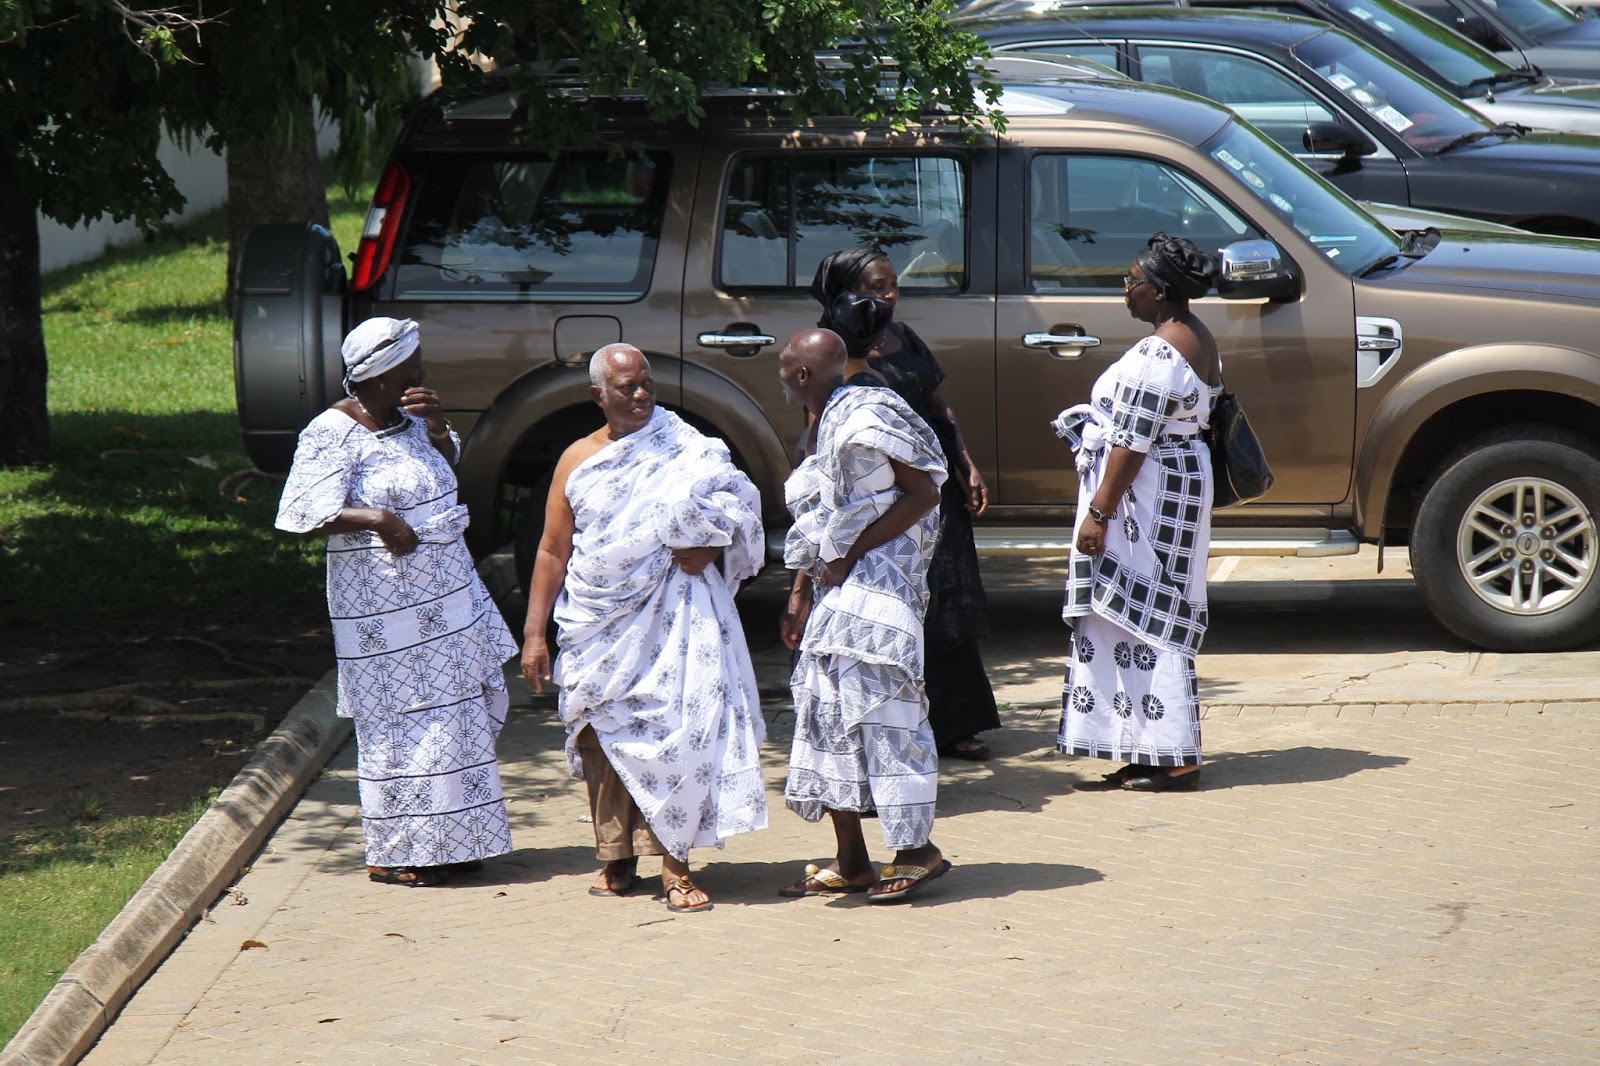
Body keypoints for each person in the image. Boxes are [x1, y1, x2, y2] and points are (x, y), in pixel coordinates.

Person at [521, 344, 768, 913]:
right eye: (626, 387)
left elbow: (741, 506)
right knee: (602, 730)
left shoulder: (687, 445)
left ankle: (675, 866)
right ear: (598, 395)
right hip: (599, 619)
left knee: (677, 728)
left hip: (678, 611)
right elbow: (553, 549)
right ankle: (618, 856)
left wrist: (712, 544)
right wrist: (535, 634)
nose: (640, 395)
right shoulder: (577, 459)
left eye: (646, 384)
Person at [275, 317, 520, 887]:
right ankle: (393, 850)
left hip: (445, 594)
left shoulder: (411, 423)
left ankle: (454, 841)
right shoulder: (331, 432)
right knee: (397, 722)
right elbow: (301, 512)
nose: (421, 376)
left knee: (456, 714)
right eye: (411, 369)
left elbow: (442, 470)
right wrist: (378, 519)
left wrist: (436, 429)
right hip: (383, 610)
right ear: (381, 377)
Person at [777, 328, 952, 903]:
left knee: (886, 715)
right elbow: (822, 519)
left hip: (880, 589)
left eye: (785, 368)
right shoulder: (822, 423)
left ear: (804, 374)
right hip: (837, 590)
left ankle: (916, 850)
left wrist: (852, 552)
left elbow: (924, 493)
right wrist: (801, 591)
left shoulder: (867, 412)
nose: (781, 378)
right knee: (825, 711)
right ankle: (852, 859)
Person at [811, 244, 1000, 761]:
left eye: (893, 284)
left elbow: (939, 405)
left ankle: (957, 722)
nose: (890, 295)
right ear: (845, 293)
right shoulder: (831, 346)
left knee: (947, 601)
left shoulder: (903, 335)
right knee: (899, 605)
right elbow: (820, 430)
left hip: (933, 488)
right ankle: (898, 725)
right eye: (877, 288)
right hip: (887, 498)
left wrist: (966, 463)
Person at [1052, 234, 1222, 792]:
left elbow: (1132, 442)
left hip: (1148, 493)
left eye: (1133, 281)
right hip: (1168, 484)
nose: (1126, 290)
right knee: (1134, 615)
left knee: (1152, 615)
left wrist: (1099, 512)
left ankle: (1175, 758)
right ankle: (1145, 748)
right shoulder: (1193, 334)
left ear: (1161, 290)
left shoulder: (1162, 351)